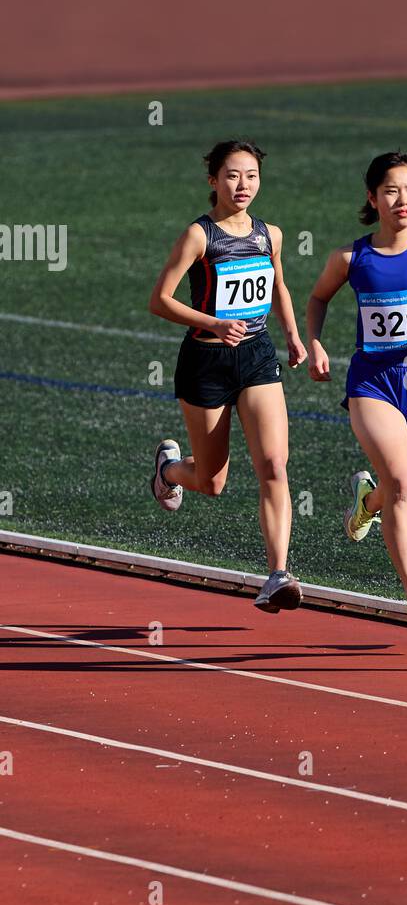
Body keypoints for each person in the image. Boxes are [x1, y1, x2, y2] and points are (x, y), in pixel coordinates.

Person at [305, 150, 407, 630]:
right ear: (372, 197)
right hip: (372, 384)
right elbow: (317, 297)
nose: (403, 200)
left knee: (405, 490)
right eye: (392, 191)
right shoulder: (352, 257)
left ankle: (365, 502)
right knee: (401, 482)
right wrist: (315, 343)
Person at [148, 139, 307, 613]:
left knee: (274, 465)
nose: (243, 185)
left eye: (252, 175)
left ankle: (277, 574)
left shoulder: (269, 234)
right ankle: (169, 471)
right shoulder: (199, 236)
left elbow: (278, 286)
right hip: (206, 362)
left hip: (257, 357)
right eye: (233, 176)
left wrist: (294, 337)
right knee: (212, 481)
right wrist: (213, 323)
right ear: (213, 180)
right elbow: (160, 300)